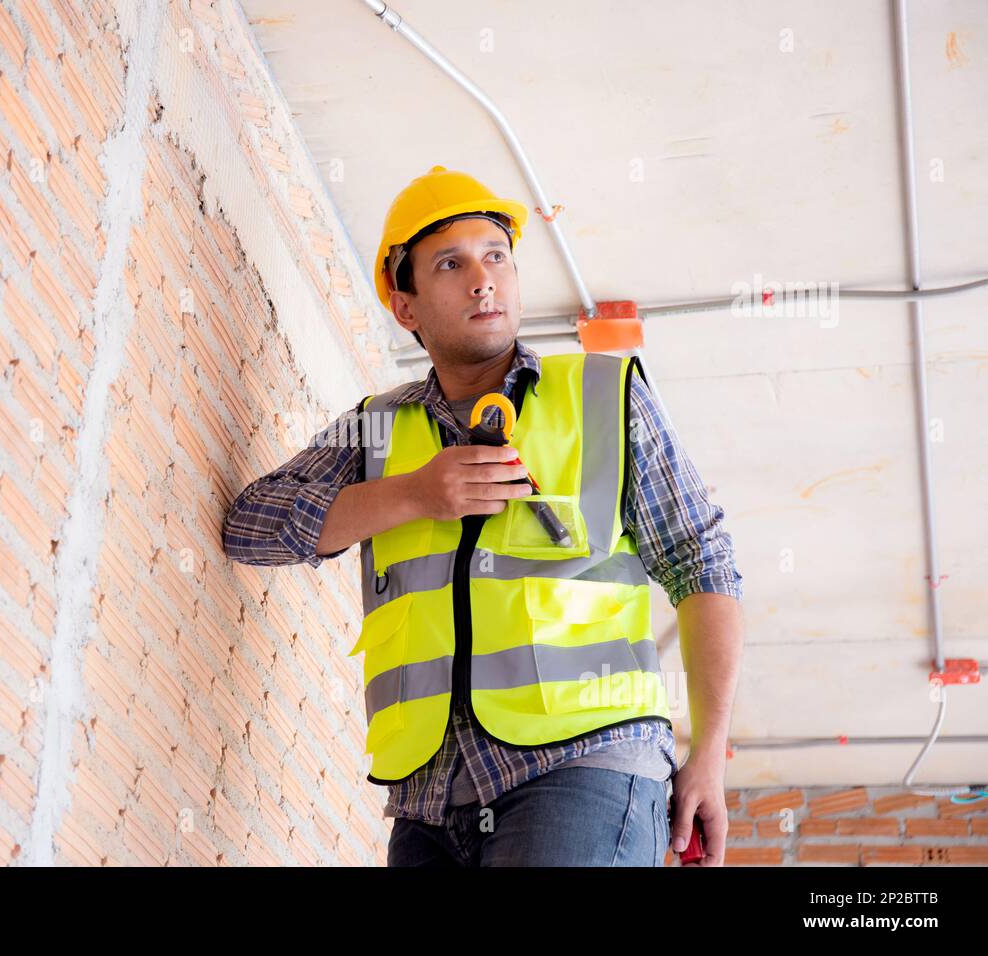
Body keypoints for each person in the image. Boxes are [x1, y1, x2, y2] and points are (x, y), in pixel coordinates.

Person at [222, 165, 744, 866]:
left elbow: (702, 562)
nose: (482, 278)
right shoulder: (380, 430)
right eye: (450, 263)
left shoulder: (603, 395)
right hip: (427, 802)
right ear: (406, 307)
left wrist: (709, 755)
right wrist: (412, 494)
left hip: (582, 769)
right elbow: (251, 526)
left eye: (496, 256)